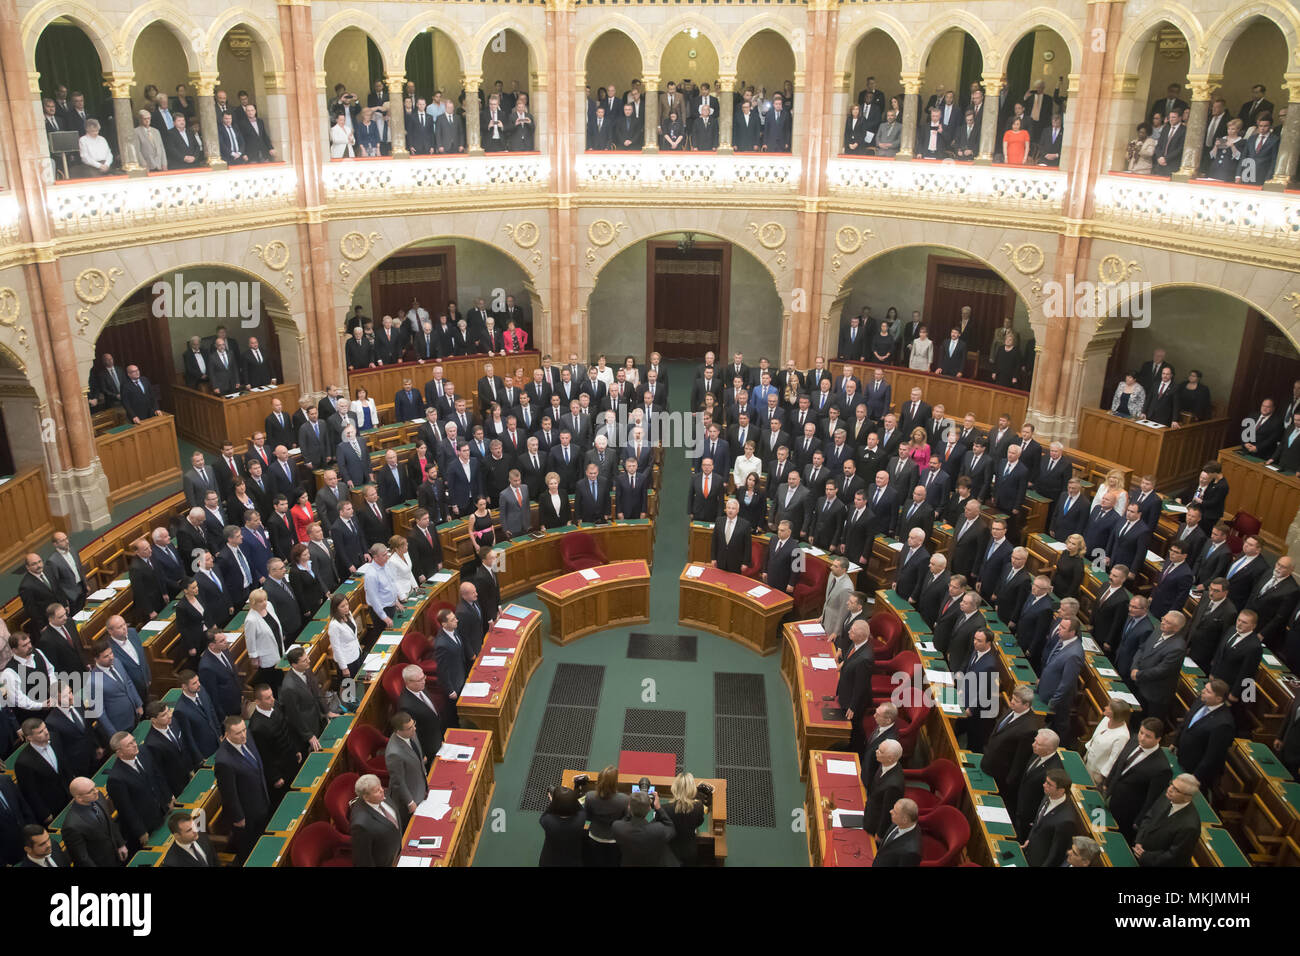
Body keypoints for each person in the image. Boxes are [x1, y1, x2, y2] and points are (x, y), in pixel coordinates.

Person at [1132, 774, 1203, 867]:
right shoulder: (1168, 796)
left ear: (1187, 797)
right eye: (1171, 784)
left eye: (1176, 790)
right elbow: (1149, 817)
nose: (1170, 789)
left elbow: (1175, 856)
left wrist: (1145, 856)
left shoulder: (1190, 826)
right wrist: (1139, 840)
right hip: (1140, 850)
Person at [350, 773, 406, 867]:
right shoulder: (360, 825)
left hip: (397, 852)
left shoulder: (382, 795)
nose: (382, 791)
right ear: (366, 797)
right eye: (376, 791)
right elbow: (363, 859)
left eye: (380, 787)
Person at [611, 789, 676, 867]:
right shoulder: (658, 829)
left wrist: (632, 808)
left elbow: (626, 820)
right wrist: (658, 808)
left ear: (629, 808)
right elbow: (670, 827)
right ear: (649, 809)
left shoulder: (617, 827)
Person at [661, 772, 707, 866]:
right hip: (690, 852)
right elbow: (699, 822)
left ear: (675, 787)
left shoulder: (665, 808)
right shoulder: (699, 807)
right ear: (692, 788)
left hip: (670, 853)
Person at [1083, 699, 1132, 784]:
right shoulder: (1106, 719)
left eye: (1109, 707)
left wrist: (1102, 777)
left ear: (1115, 714)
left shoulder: (1122, 736)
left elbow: (1113, 759)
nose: (1105, 707)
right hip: (1088, 760)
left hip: (1097, 773)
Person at [539, 785, 587, 867]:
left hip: (550, 859)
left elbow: (546, 813)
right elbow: (580, 808)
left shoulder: (547, 821)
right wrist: (571, 798)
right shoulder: (581, 818)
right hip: (573, 858)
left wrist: (554, 801)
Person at [872, 798, 922, 867]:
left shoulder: (911, 853)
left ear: (904, 820)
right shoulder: (900, 822)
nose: (890, 811)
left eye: (895, 812)